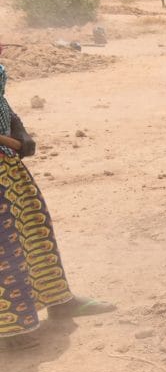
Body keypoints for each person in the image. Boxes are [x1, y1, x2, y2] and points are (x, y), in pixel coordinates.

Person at [0, 64, 115, 351]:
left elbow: (3, 102)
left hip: (8, 166)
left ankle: (58, 299)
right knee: (4, 248)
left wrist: (18, 131)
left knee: (35, 230)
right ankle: (10, 327)